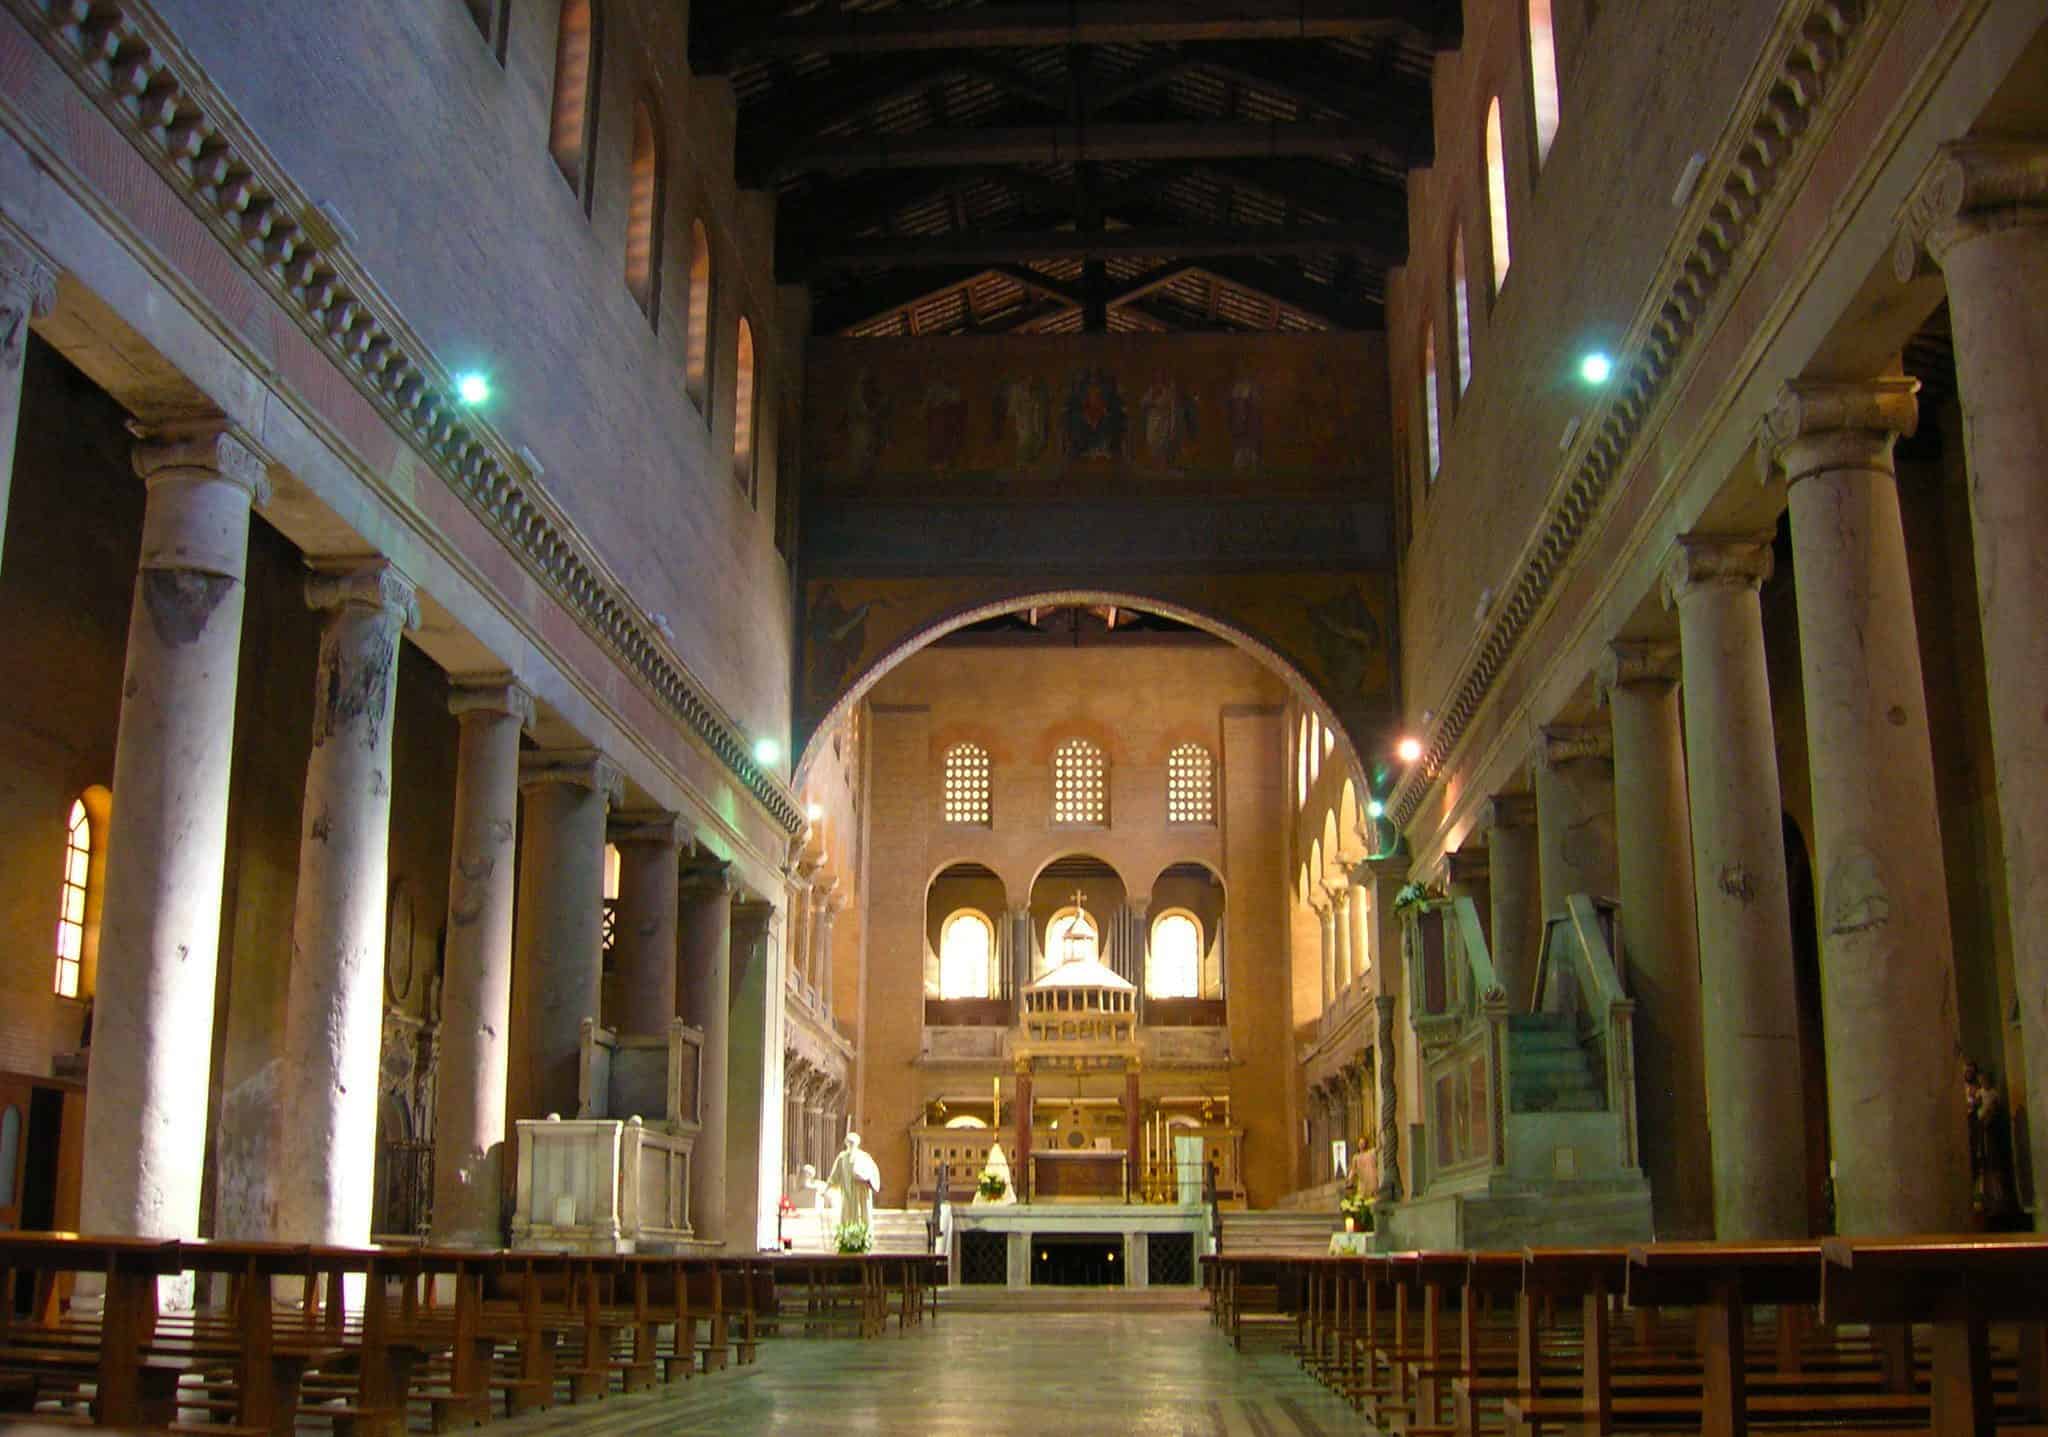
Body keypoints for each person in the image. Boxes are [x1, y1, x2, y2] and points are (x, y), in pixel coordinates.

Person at [826, 1131, 882, 1232]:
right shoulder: (842, 1157)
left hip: (861, 1194)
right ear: (846, 1143)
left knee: (861, 1215)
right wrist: (827, 1188)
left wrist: (865, 1178)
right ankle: (847, 1238)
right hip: (847, 1193)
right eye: (849, 1142)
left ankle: (862, 1237)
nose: (851, 1145)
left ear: (857, 1143)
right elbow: (835, 1175)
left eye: (853, 1143)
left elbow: (871, 1173)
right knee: (847, 1215)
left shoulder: (864, 1157)